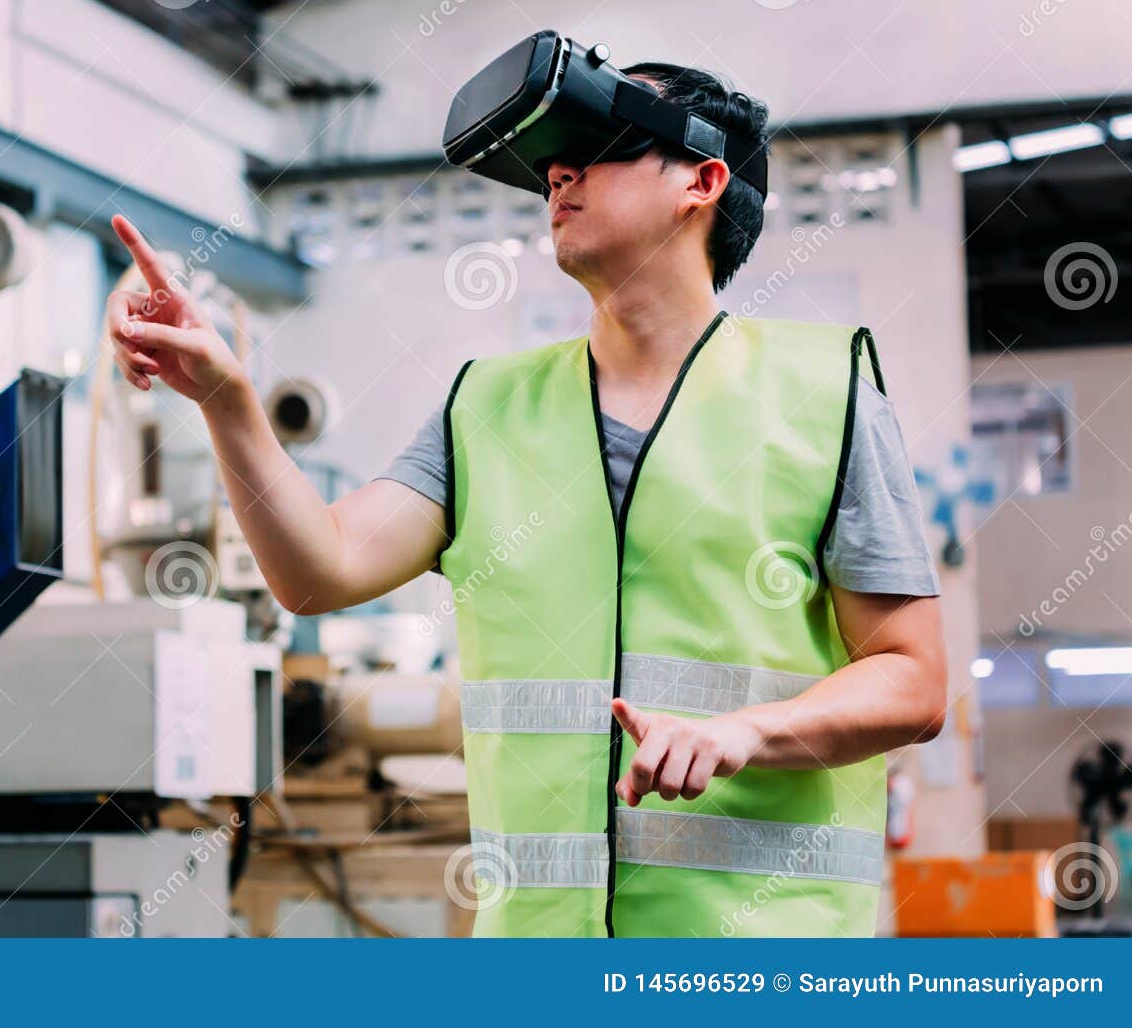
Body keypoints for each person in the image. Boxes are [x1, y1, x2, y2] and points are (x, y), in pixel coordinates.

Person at [103, 60, 946, 938]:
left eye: (599, 146)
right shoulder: (485, 408)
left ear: (701, 181)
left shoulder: (824, 396)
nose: (558, 173)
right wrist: (225, 399)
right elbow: (321, 570)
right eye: (550, 160)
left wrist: (748, 732)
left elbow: (914, 678)